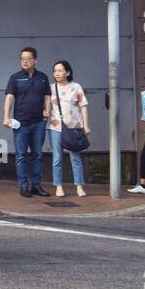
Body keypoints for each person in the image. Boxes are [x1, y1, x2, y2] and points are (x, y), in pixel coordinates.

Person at [2, 46, 52, 197]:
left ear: (35, 60)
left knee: (37, 155)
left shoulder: (43, 77)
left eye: (28, 59)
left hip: (38, 123)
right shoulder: (15, 78)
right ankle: (23, 186)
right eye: (22, 59)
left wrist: (47, 110)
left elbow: (47, 96)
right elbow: (9, 97)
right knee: (21, 155)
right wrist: (6, 117)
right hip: (20, 123)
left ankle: (36, 186)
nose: (25, 61)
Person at [47, 60, 89, 197]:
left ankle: (79, 186)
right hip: (55, 127)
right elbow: (46, 106)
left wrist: (85, 125)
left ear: (67, 72)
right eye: (55, 71)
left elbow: (83, 106)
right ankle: (58, 186)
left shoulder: (76, 87)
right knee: (57, 158)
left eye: (60, 70)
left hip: (73, 127)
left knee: (75, 158)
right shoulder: (51, 88)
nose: (57, 73)